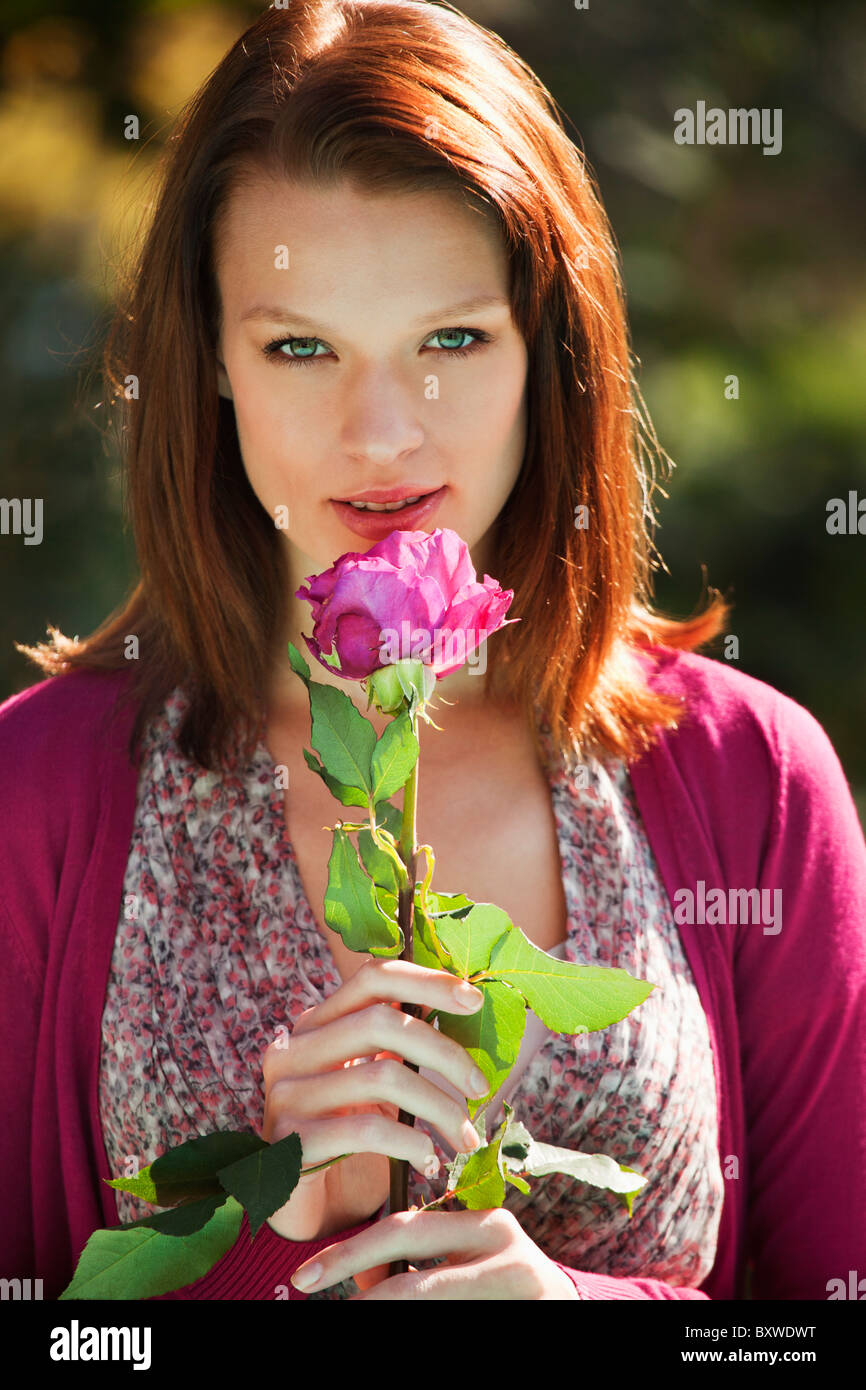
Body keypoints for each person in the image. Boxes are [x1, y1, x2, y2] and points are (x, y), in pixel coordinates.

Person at [2, 0, 864, 1302]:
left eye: (452, 338)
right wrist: (271, 1237)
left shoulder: (751, 778)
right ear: (213, 363)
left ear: (546, 349)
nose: (383, 432)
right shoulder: (35, 794)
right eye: (299, 345)